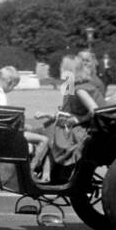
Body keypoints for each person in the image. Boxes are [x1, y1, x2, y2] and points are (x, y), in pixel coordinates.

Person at [30, 50, 106, 178]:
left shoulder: (80, 89)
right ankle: (47, 170)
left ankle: (45, 172)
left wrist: (78, 119)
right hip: (87, 125)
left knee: (52, 130)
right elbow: (68, 112)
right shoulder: (74, 86)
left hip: (90, 128)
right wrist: (50, 115)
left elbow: (95, 111)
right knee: (50, 126)